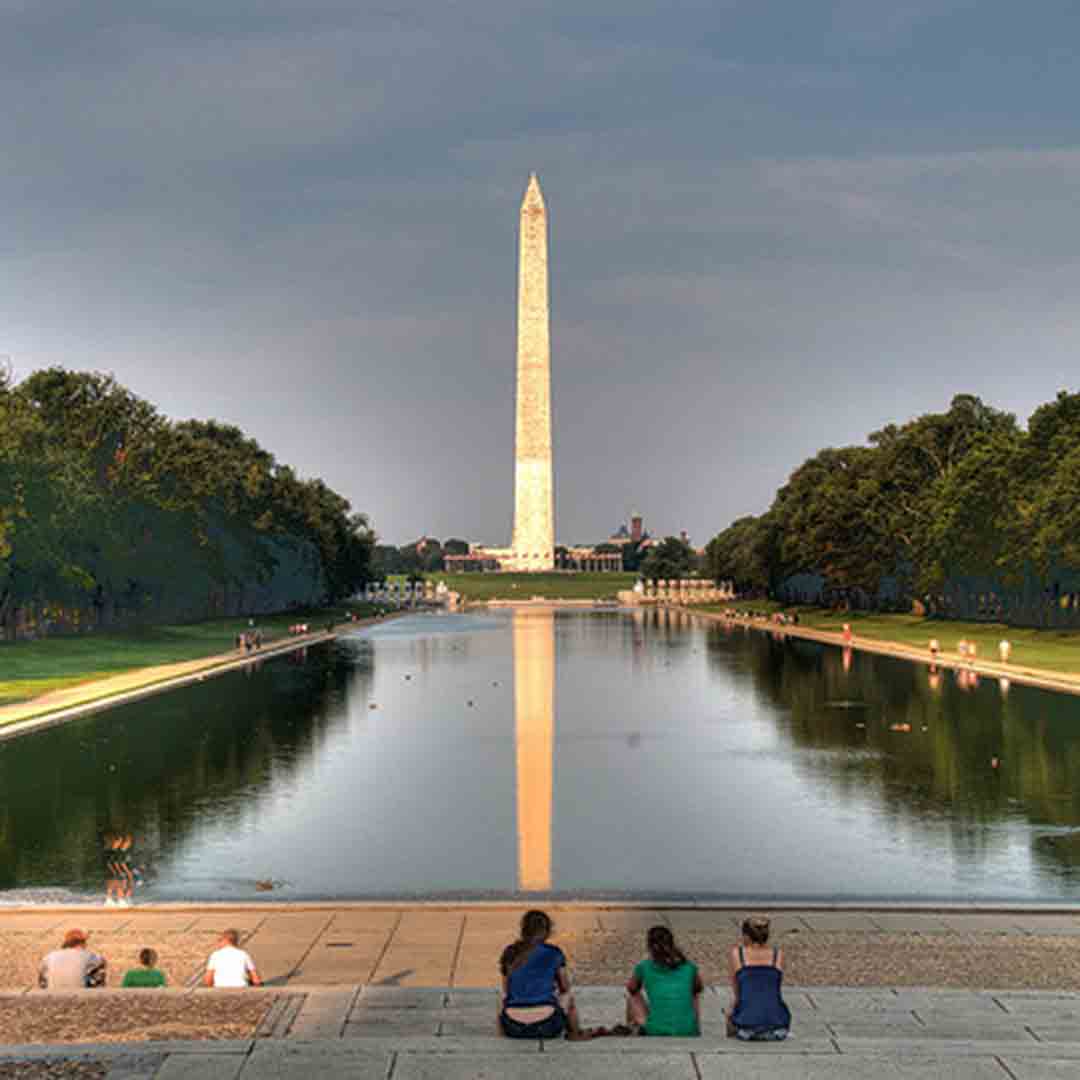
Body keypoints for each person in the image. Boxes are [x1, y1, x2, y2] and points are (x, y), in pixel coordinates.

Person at [498, 910, 593, 1040]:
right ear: (548, 931)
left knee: (501, 998)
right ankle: (575, 1032)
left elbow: (507, 989)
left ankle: (502, 1034)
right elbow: (565, 988)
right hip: (547, 1026)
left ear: (523, 929)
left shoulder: (510, 952)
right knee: (567, 996)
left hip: (513, 1028)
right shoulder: (554, 953)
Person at [624, 926, 703, 1036]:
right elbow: (698, 989)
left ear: (649, 946)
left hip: (655, 1030)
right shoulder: (690, 967)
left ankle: (632, 1029)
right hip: (689, 1030)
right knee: (694, 994)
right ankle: (693, 1028)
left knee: (632, 998)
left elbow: (631, 988)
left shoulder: (644, 966)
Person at [726, 915, 791, 1041]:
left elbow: (738, 995)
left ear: (746, 936)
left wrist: (729, 1015)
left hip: (746, 1027)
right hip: (777, 1025)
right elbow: (775, 989)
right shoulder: (777, 954)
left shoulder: (738, 954)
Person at [39, 928, 107, 989]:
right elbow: (102, 961)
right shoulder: (90, 955)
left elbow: (42, 979)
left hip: (52, 996)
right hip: (81, 996)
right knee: (98, 969)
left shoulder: (50, 956)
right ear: (82, 943)